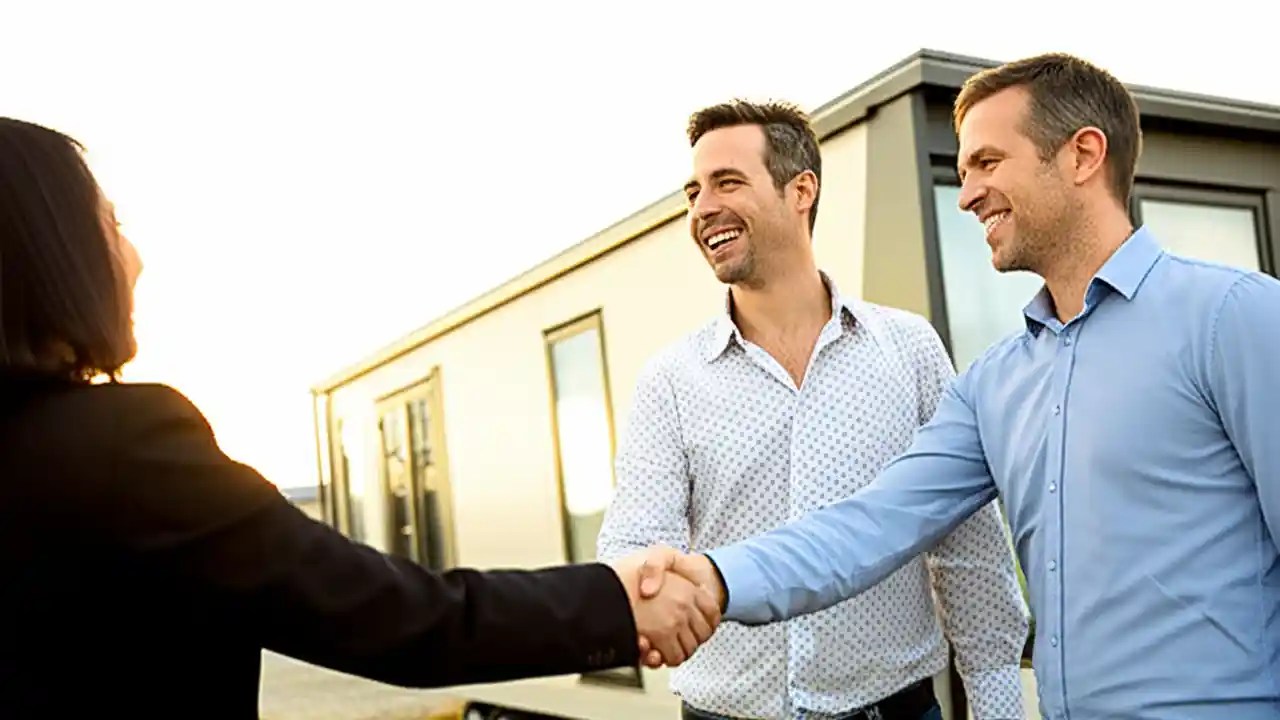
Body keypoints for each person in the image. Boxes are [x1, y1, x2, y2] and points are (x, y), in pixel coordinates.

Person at [0, 116, 722, 717]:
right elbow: (393, 616)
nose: (135, 257)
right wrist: (616, 605)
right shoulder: (121, 447)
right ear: (51, 252)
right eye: (110, 224)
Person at [634, 52, 1280, 720]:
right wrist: (714, 578)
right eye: (964, 169)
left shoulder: (1235, 318)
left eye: (988, 163)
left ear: (1084, 154)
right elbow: (869, 527)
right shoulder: (993, 386)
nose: (967, 193)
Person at [596, 99, 1028, 720]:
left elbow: (967, 546)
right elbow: (635, 540)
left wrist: (996, 706)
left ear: (801, 190)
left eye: (727, 182)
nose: (702, 209)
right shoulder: (670, 381)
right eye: (693, 192)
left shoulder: (908, 350)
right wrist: (645, 583)